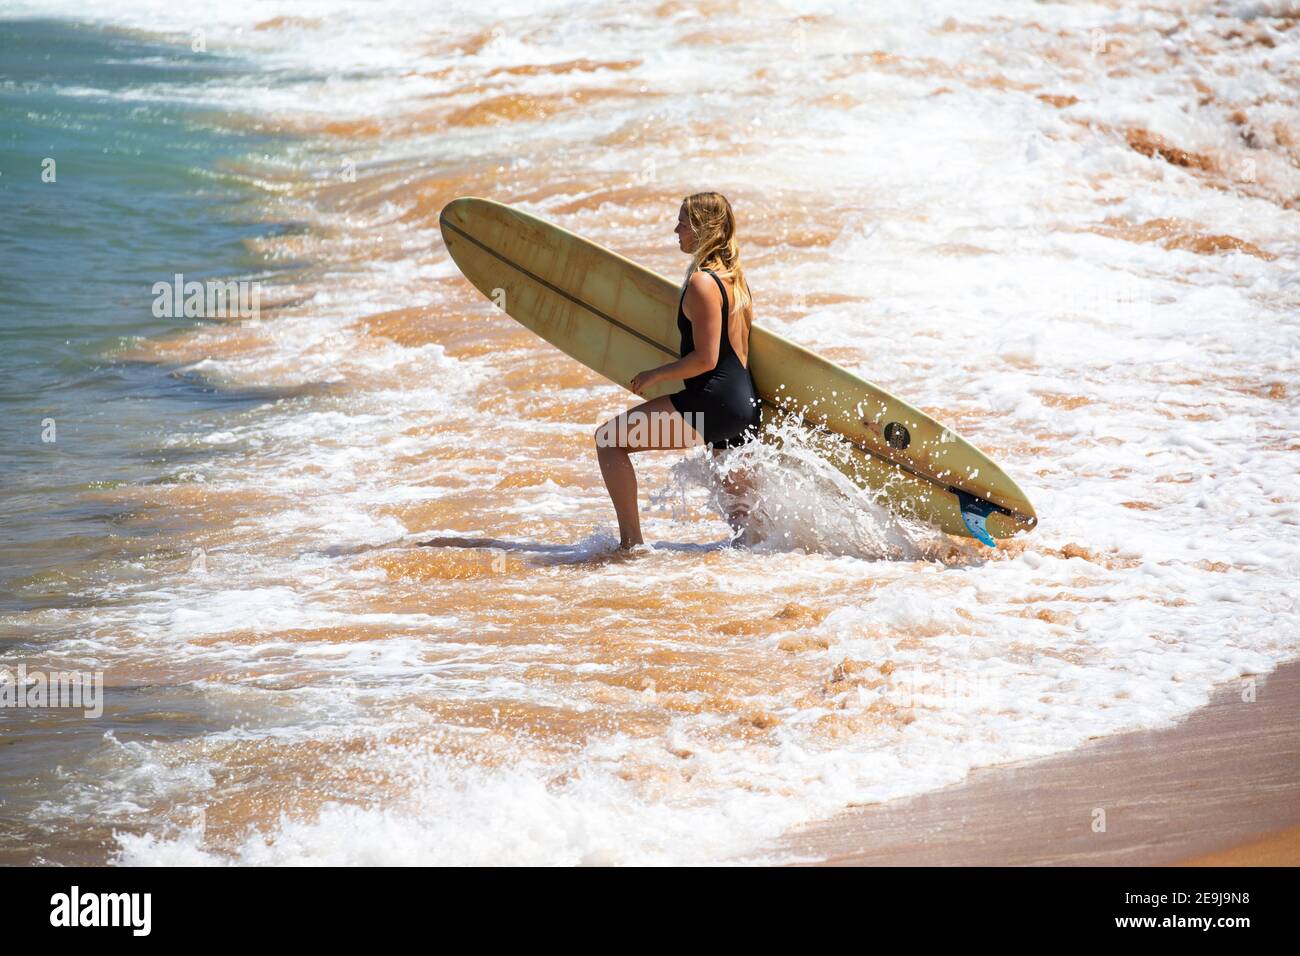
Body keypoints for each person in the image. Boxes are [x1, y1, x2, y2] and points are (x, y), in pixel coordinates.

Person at [594, 191, 761, 549]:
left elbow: (706, 359)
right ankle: (762, 568)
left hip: (711, 404)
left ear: (702, 228)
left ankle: (631, 545)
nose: (676, 230)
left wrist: (655, 375)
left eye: (682, 223)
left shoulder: (703, 283)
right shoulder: (736, 280)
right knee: (743, 524)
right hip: (743, 406)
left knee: (608, 441)